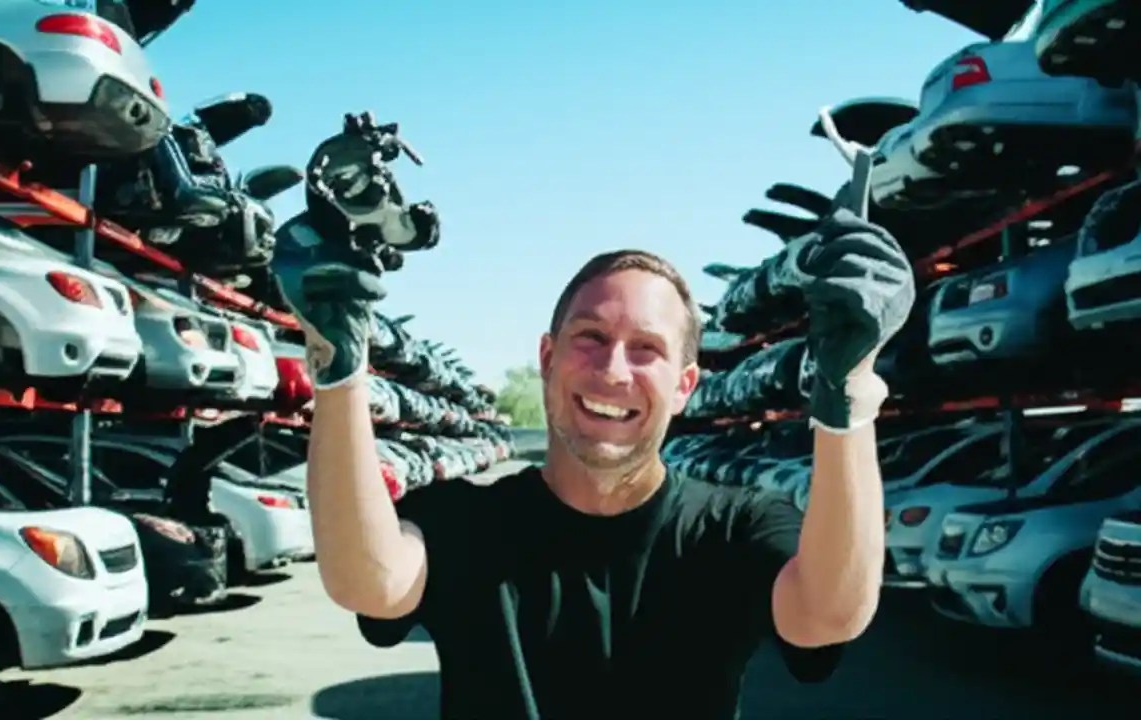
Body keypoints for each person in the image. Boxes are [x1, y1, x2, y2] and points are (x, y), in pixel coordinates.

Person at [278, 207, 915, 719]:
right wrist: (339, 368)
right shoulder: (464, 521)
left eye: (646, 349)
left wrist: (847, 395)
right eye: (591, 338)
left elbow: (829, 613)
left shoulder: (731, 530)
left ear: (684, 385)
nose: (613, 371)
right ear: (547, 358)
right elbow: (368, 582)